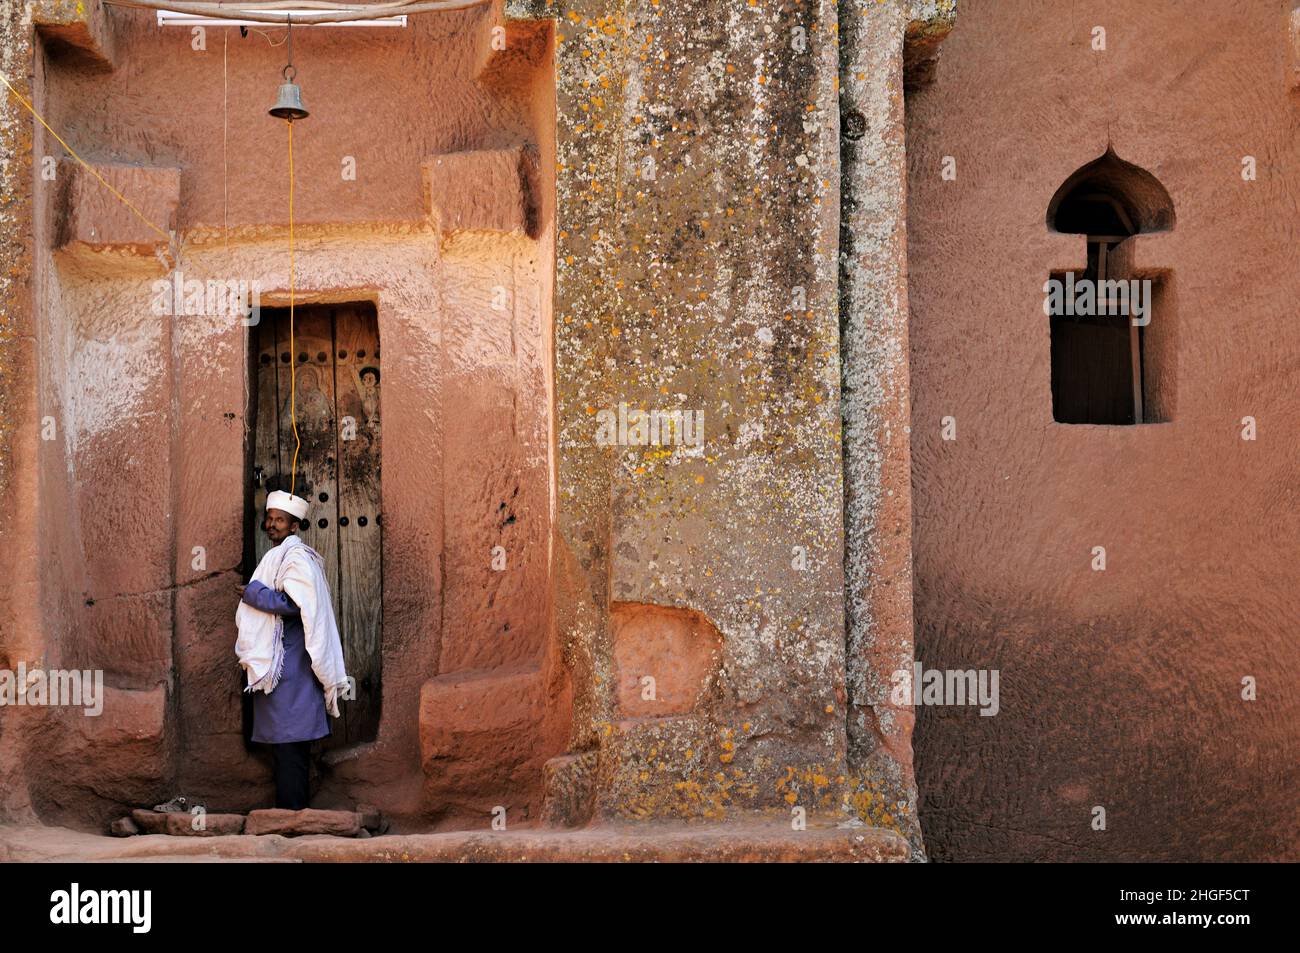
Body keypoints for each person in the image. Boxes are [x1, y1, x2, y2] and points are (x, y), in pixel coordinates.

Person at [234, 490, 350, 810]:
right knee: (288, 749)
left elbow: (295, 605)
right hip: (286, 667)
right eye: (269, 519)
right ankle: (292, 814)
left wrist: (254, 594)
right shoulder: (283, 555)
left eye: (280, 520)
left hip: (292, 667)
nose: (272, 525)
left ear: (294, 526)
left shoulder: (295, 557)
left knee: (290, 748)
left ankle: (292, 818)